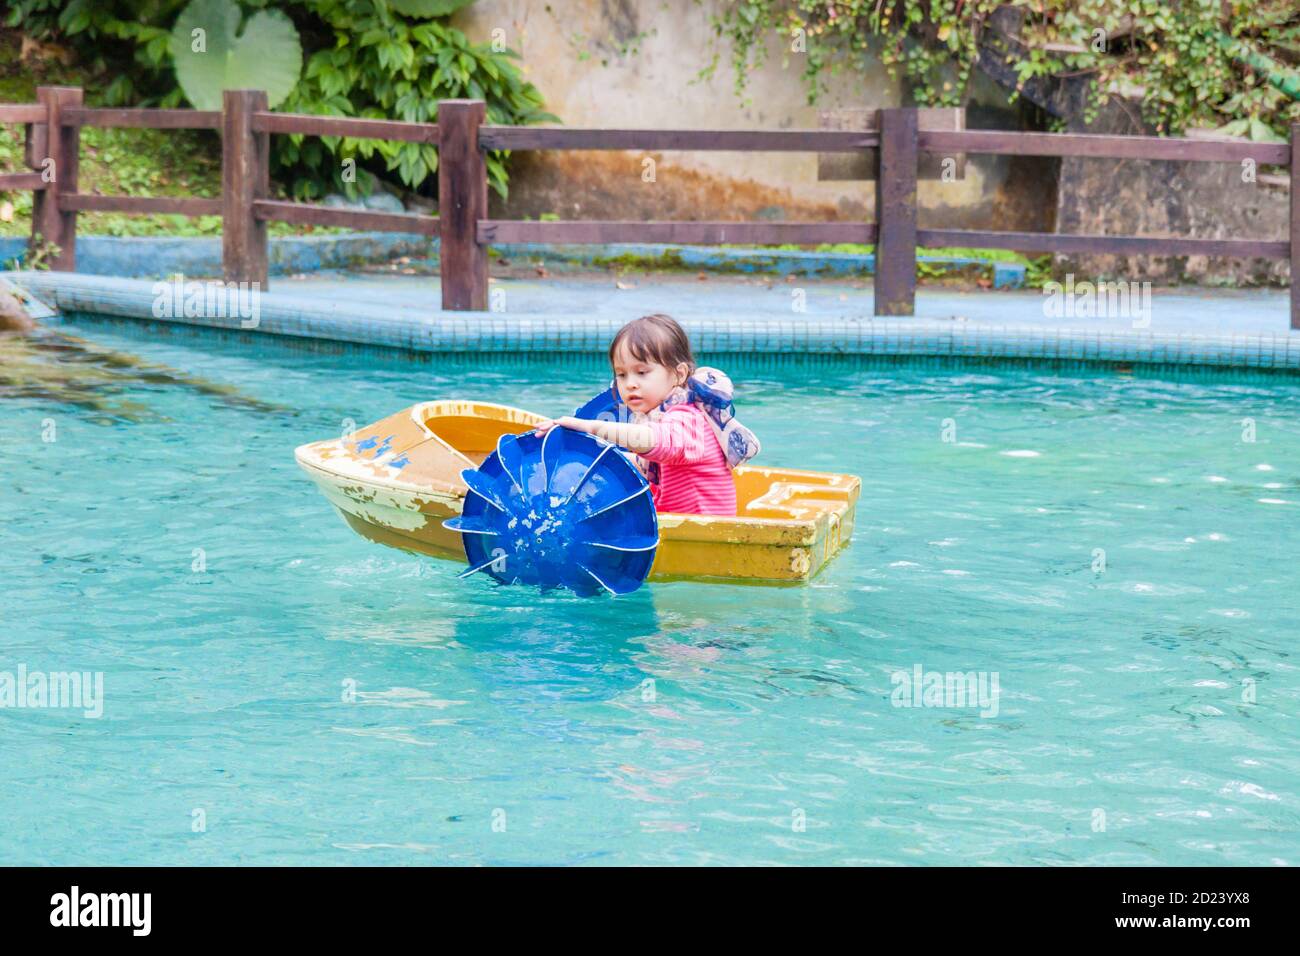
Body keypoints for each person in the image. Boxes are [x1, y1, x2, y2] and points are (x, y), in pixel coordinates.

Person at [533, 313, 760, 516]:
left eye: (642, 372)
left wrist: (588, 427)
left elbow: (653, 441)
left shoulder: (687, 418)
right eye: (621, 375)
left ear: (678, 374)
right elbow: (644, 464)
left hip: (708, 540)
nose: (630, 384)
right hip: (685, 528)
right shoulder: (662, 416)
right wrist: (588, 452)